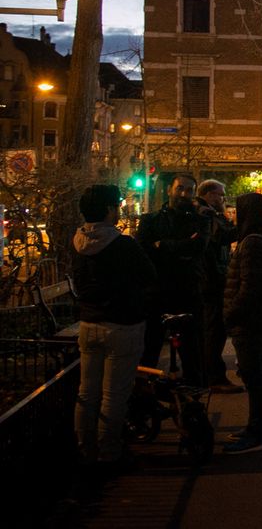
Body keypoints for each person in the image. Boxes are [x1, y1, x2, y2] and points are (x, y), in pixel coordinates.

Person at [72, 184, 156, 472]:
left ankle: (85, 452)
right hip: (122, 325)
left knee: (86, 393)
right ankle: (109, 452)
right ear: (109, 209)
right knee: (114, 394)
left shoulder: (78, 243)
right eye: (117, 204)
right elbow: (148, 275)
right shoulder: (123, 244)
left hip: (88, 323)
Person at [136, 173, 210, 385]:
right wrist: (183, 246)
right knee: (150, 350)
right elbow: (144, 251)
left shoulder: (200, 221)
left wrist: (163, 245)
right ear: (170, 190)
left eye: (189, 190)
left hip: (189, 292)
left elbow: (198, 248)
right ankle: (145, 395)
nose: (184, 194)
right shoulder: (150, 220)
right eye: (180, 189)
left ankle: (193, 398)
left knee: (192, 353)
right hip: (157, 293)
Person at [222, 193, 262, 454]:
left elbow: (248, 288)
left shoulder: (252, 244)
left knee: (255, 376)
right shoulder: (260, 239)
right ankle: (256, 427)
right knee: (258, 375)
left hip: (250, 321)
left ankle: (256, 431)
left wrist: (229, 315)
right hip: (257, 319)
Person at [196, 179, 241, 393]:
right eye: (220, 195)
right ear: (209, 195)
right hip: (212, 279)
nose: (223, 199)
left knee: (211, 329)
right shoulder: (206, 214)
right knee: (214, 330)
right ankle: (214, 376)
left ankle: (209, 374)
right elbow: (220, 237)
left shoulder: (204, 213)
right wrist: (242, 227)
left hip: (210, 276)